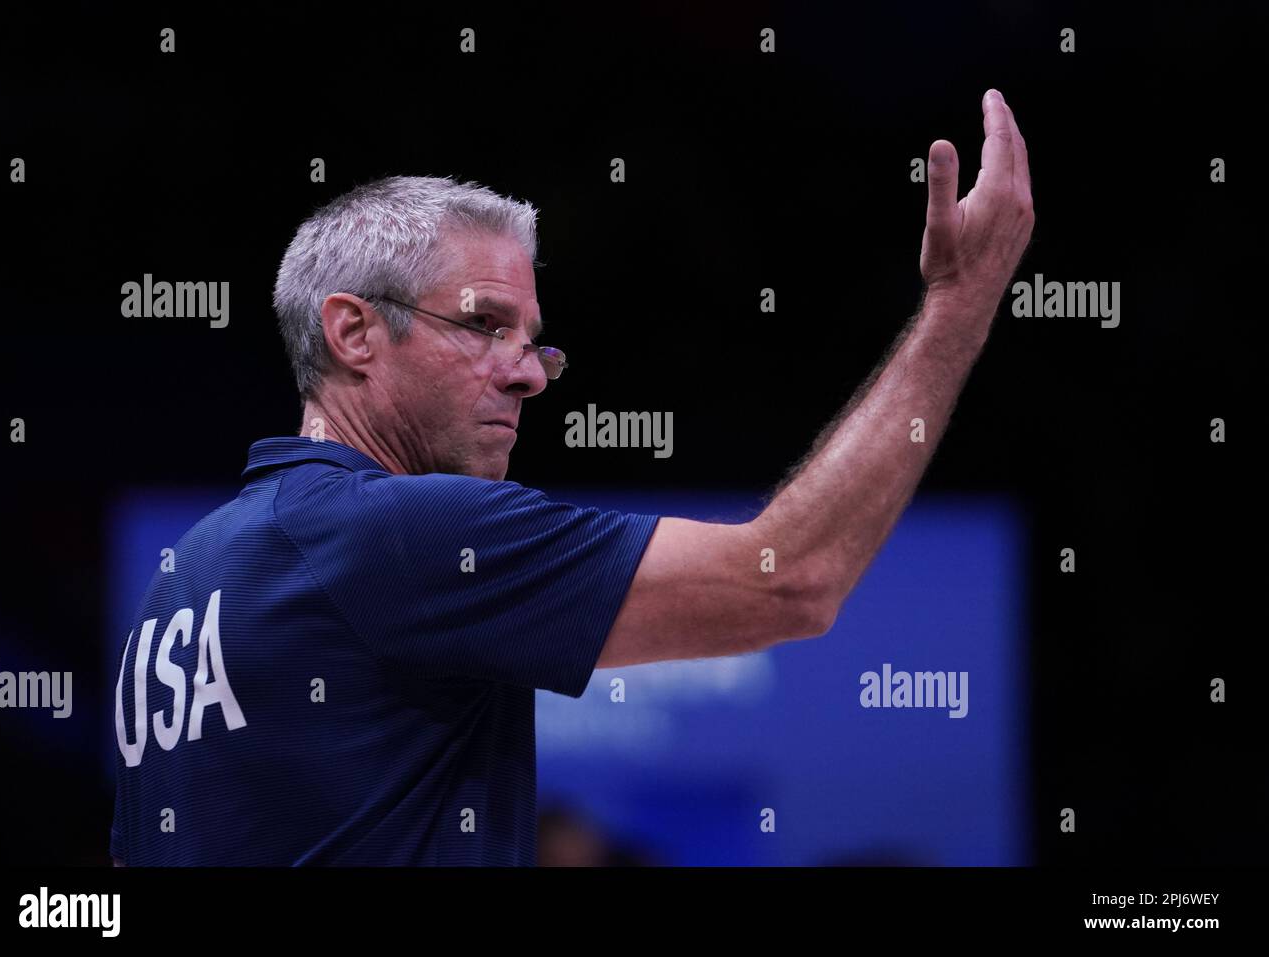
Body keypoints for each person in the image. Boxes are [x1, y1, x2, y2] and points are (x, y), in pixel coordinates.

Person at [111, 89, 1033, 865]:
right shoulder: (398, 532)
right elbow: (790, 578)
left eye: (533, 341)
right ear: (353, 332)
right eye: (481, 324)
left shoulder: (180, 584)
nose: (525, 372)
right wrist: (961, 304)